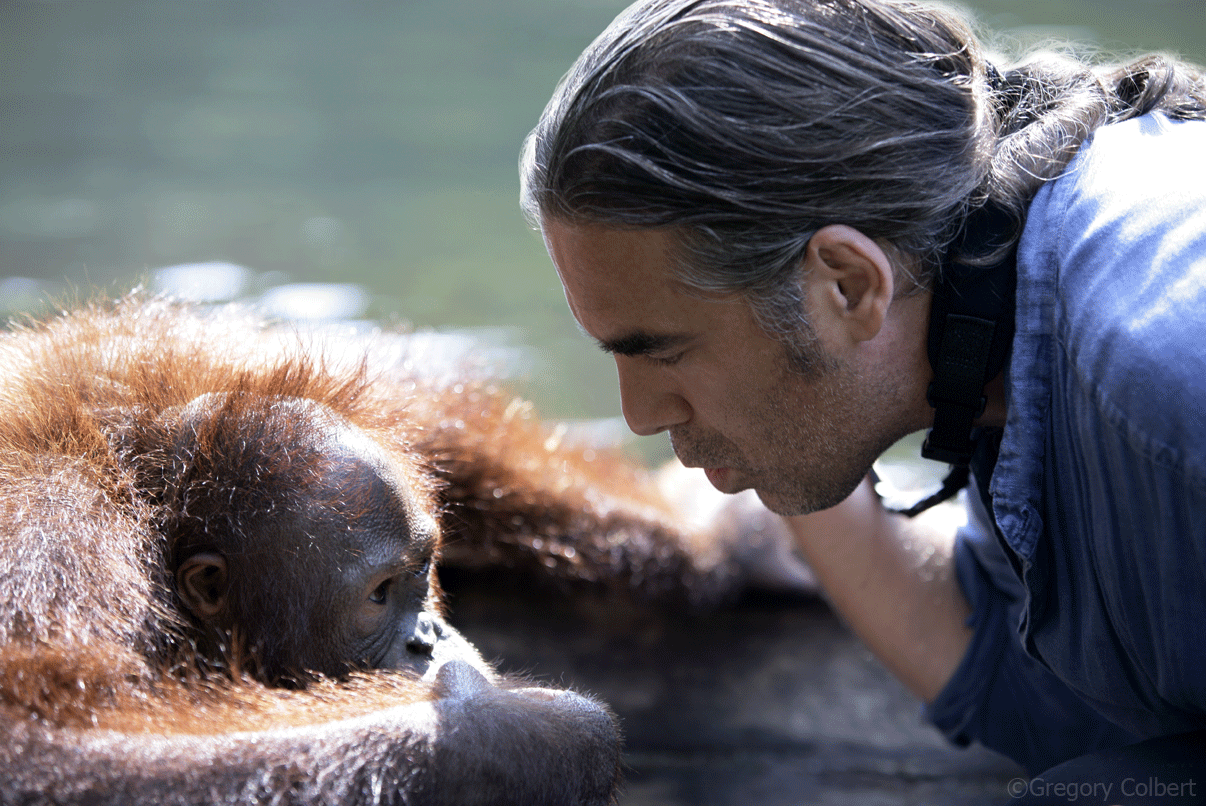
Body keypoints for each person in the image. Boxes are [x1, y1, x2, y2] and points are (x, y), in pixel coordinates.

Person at [519, 0, 1206, 801]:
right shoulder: (1000, 303)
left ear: (847, 285)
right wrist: (778, 477)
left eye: (665, 351)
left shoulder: (1162, 384)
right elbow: (1046, 688)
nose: (641, 415)